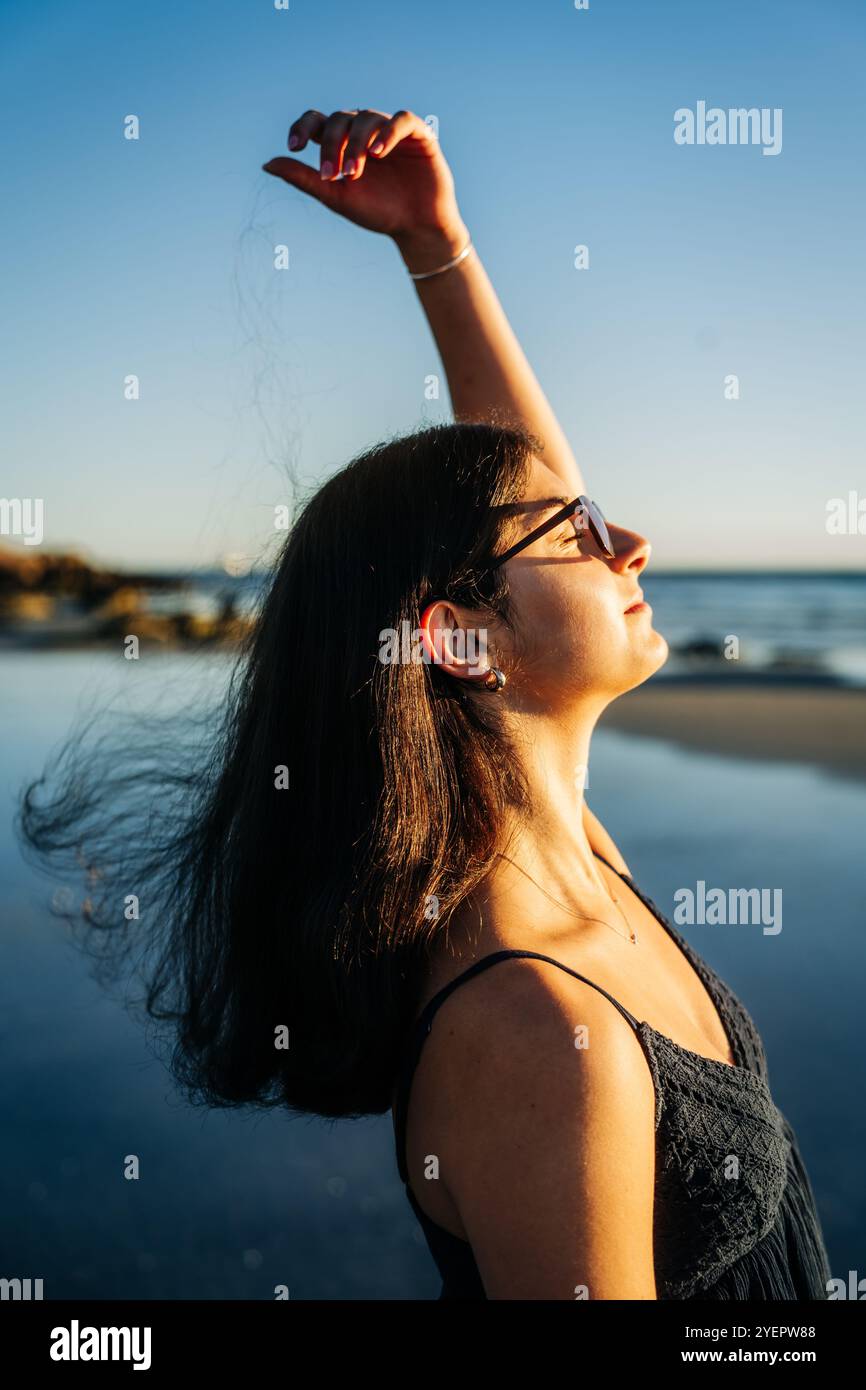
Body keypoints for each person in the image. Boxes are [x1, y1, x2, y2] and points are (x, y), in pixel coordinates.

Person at [18, 106, 831, 1303]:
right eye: (583, 539)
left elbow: (519, 491)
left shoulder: (562, 851)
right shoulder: (535, 1033)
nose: (633, 544)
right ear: (457, 637)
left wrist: (434, 242)